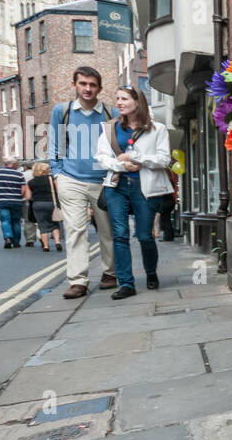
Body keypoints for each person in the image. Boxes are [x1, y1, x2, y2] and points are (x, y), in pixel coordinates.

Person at [94, 84, 172, 299]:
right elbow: (101, 157)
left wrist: (137, 159)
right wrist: (121, 165)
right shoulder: (109, 128)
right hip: (117, 186)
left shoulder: (157, 129)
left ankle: (151, 272)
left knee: (145, 235)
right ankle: (126, 284)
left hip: (144, 188)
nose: (119, 103)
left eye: (125, 99)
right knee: (119, 235)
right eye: (117, 98)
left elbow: (164, 159)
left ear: (138, 102)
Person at [52, 67, 116, 299]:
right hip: (71, 179)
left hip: (103, 181)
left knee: (107, 230)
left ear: (100, 88)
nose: (87, 89)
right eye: (83, 84)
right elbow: (56, 145)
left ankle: (110, 272)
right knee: (76, 231)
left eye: (92, 84)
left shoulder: (111, 113)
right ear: (74, 85)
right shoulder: (62, 111)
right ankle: (78, 280)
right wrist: (57, 174)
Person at [0, 157, 30, 247]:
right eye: (17, 163)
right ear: (13, 164)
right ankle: (16, 242)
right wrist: (17, 195)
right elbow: (23, 189)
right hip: (16, 201)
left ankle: (8, 238)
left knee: (5, 220)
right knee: (16, 221)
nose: (17, 165)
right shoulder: (19, 174)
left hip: (2, 201)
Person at [28, 162, 63, 252]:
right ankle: (57, 243)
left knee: (42, 225)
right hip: (51, 203)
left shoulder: (31, 182)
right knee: (54, 224)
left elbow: (28, 197)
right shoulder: (51, 179)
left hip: (38, 204)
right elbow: (58, 191)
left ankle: (46, 246)